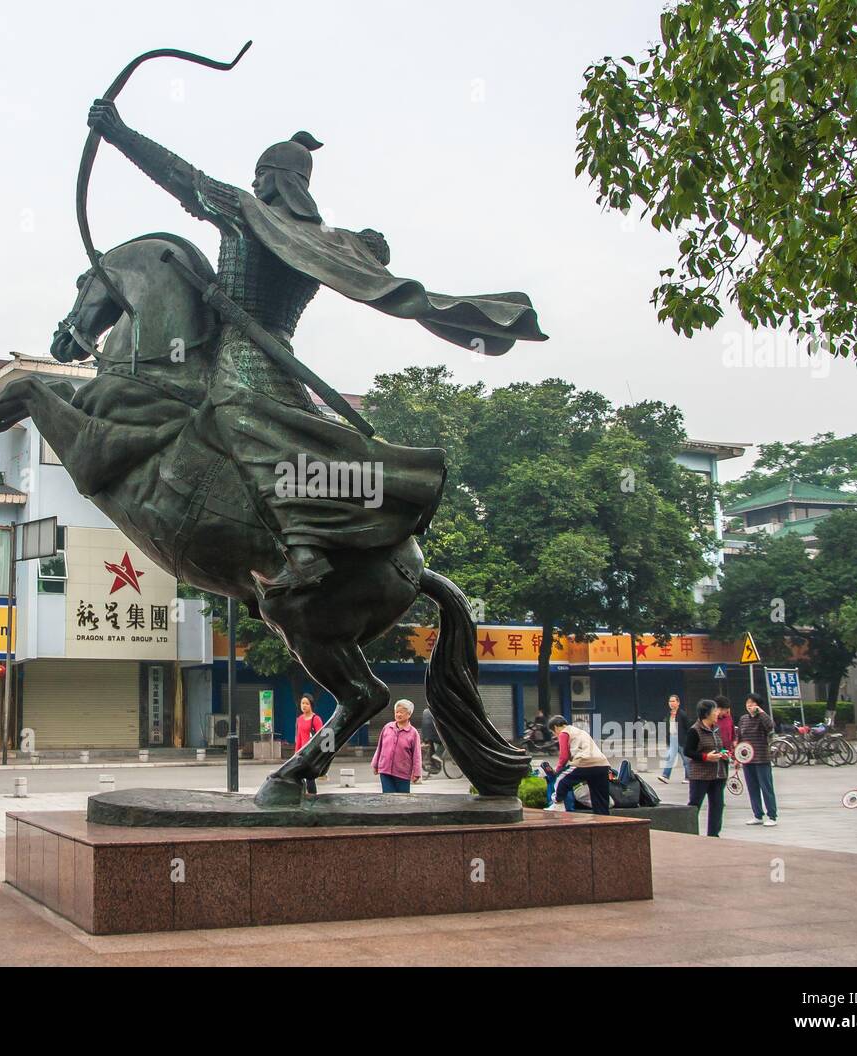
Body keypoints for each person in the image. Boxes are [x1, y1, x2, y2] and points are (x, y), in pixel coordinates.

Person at [87, 100, 543, 599]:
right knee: (305, 443)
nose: (254, 182)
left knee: (248, 433)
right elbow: (370, 249)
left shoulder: (247, 214)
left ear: (279, 179)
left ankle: (302, 552)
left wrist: (120, 132)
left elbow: (183, 178)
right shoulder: (324, 241)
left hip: (244, 355)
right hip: (276, 356)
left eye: (261, 174)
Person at [545, 715, 612, 816]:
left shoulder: (564, 733)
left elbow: (564, 756)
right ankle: (604, 821)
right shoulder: (581, 732)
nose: (555, 735)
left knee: (560, 780)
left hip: (583, 762)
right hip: (602, 765)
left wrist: (558, 770)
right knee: (600, 797)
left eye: (553, 732)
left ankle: (558, 804)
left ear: (555, 727)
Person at [684, 699, 729, 836]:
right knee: (695, 805)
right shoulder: (695, 730)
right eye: (715, 710)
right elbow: (688, 751)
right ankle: (688, 832)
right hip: (700, 776)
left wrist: (724, 754)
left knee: (717, 806)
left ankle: (713, 835)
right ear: (707, 713)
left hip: (718, 775)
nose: (717, 713)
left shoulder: (715, 729)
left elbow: (719, 748)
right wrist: (705, 757)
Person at [737, 692, 777, 826]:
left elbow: (770, 726)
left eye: (752, 703)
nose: (749, 705)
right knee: (752, 788)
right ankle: (757, 815)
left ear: (758, 705)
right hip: (748, 759)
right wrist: (737, 757)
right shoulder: (743, 719)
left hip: (762, 758)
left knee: (766, 788)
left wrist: (761, 712)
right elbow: (740, 738)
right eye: (748, 703)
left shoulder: (763, 717)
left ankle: (772, 816)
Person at [372, 699, 422, 793]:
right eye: (397, 712)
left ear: (409, 714)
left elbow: (417, 755)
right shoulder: (387, 727)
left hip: (403, 773)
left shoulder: (413, 733)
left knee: (402, 800)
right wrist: (375, 764)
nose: (398, 714)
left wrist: (417, 772)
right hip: (385, 770)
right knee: (388, 798)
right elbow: (380, 747)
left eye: (401, 712)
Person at [293, 695, 324, 794]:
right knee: (299, 776)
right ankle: (302, 796)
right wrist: (296, 753)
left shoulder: (316, 719)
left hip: (312, 753)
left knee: (310, 778)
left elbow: (321, 737)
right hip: (302, 753)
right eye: (302, 703)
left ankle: (312, 797)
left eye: (307, 703)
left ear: (311, 705)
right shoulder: (299, 719)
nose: (304, 706)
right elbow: (299, 737)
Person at [658, 694, 690, 784]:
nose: (671, 703)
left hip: (682, 740)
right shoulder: (668, 715)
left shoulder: (682, 714)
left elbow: (688, 728)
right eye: (670, 701)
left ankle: (688, 777)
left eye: (673, 701)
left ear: (678, 703)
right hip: (672, 739)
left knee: (686, 760)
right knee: (670, 758)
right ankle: (665, 776)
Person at [418, 705, 439, 782]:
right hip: (433, 734)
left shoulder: (425, 711)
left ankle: (432, 766)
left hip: (425, 735)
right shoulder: (436, 712)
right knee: (445, 742)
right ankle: (438, 755)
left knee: (430, 749)